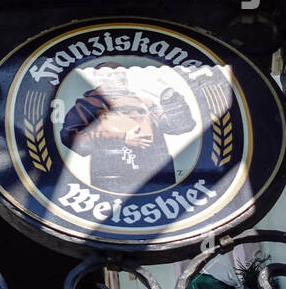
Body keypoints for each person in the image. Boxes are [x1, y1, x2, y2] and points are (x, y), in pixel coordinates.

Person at [58, 67, 194, 194]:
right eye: (113, 74)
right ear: (99, 79)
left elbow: (182, 126)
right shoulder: (89, 105)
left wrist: (171, 99)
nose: (120, 77)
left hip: (159, 177)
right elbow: (71, 138)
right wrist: (121, 137)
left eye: (122, 74)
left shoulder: (145, 103)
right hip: (114, 179)